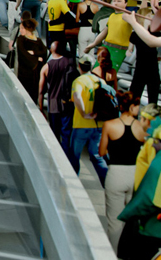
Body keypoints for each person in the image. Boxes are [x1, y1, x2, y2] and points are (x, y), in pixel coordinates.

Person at [99, 91, 145, 250]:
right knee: (131, 218)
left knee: (114, 221)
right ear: (132, 107)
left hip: (116, 174)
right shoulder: (141, 127)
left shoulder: (109, 125)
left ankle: (112, 253)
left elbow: (102, 152)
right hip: (135, 175)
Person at [69, 55, 109, 186]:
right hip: (99, 125)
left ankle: (74, 183)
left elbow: (76, 96)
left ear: (79, 66)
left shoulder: (79, 81)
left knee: (75, 155)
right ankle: (107, 183)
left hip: (81, 125)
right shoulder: (101, 81)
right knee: (97, 156)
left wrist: (84, 114)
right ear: (92, 66)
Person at [12, 14, 48, 103]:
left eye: (22, 28)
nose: (20, 31)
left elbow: (44, 52)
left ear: (28, 29)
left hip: (37, 73)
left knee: (34, 92)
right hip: (25, 72)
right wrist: (36, 60)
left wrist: (34, 53)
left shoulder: (38, 40)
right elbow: (23, 53)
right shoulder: (21, 39)